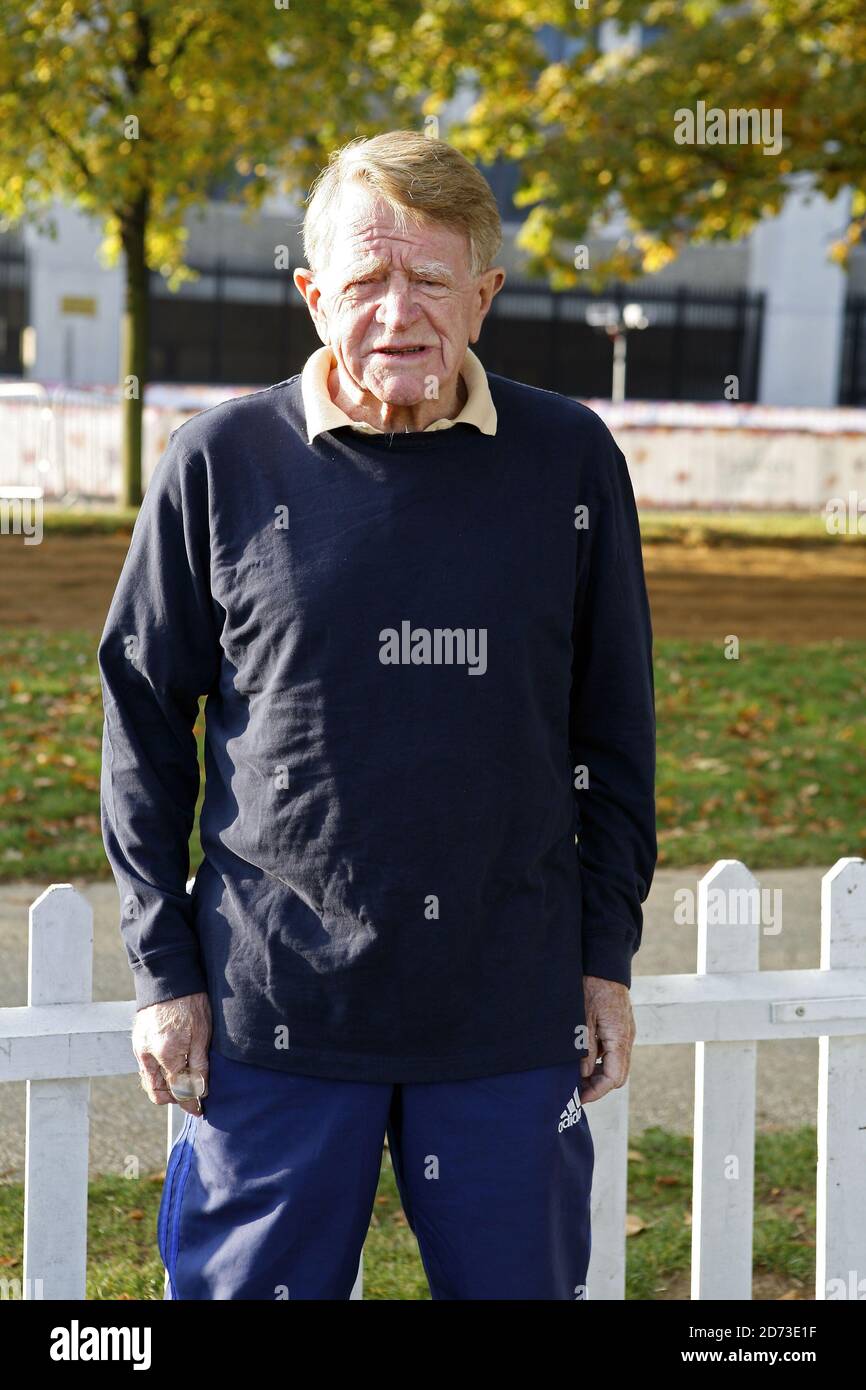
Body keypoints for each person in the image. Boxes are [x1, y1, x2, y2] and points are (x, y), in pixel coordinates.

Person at [98, 129, 656, 1301]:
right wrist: (163, 969)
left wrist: (602, 957)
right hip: (276, 1015)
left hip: (506, 1010)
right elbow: (142, 723)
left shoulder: (568, 459)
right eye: (363, 281)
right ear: (311, 295)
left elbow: (613, 732)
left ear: (485, 295)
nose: (396, 312)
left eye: (429, 280)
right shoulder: (218, 462)